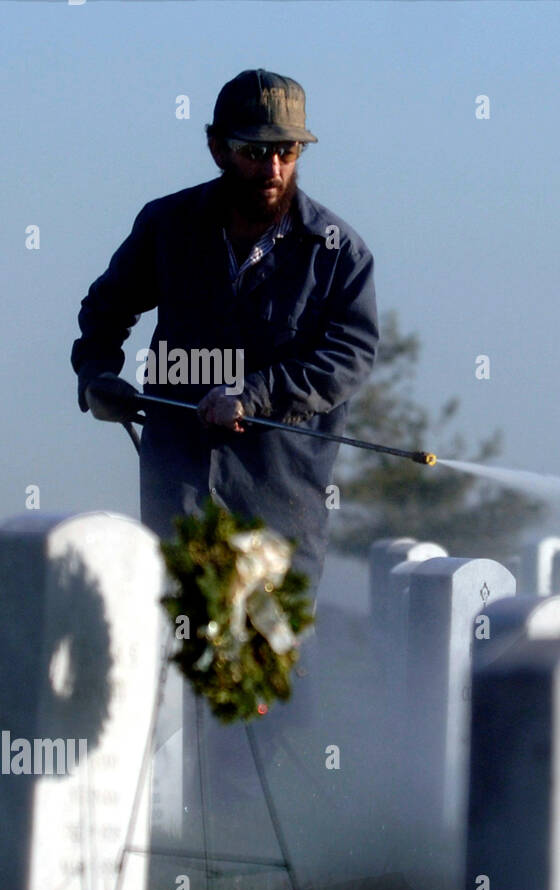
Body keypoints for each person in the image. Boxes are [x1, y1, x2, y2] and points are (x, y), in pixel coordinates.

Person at [71, 68, 379, 600]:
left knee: (270, 666)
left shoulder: (338, 253)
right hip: (178, 500)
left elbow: (348, 357)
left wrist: (251, 393)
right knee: (176, 650)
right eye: (255, 152)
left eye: (288, 151)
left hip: (280, 509)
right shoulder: (168, 226)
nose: (274, 168)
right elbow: (104, 309)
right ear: (217, 149)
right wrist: (98, 376)